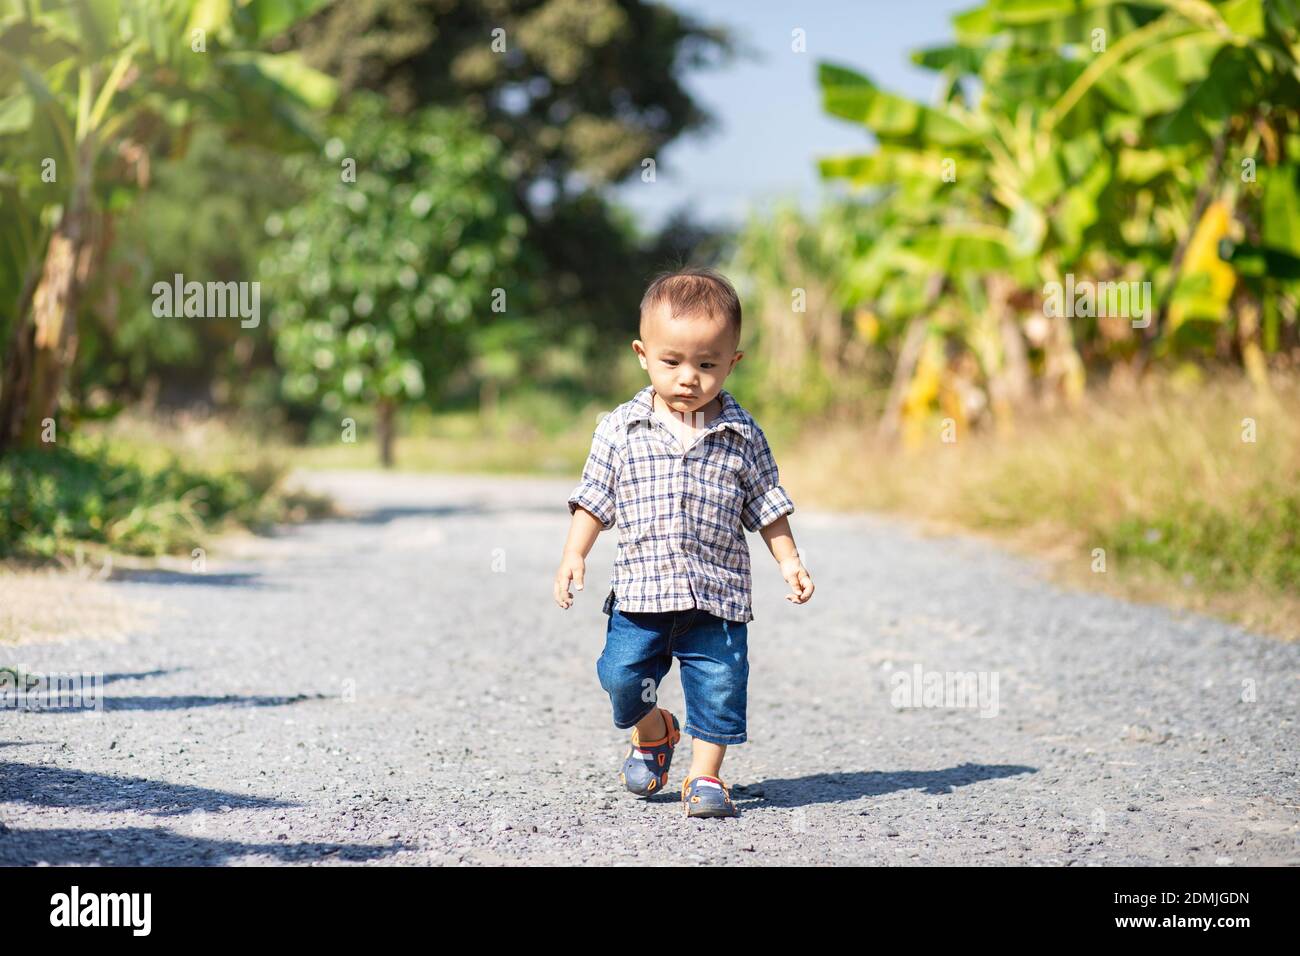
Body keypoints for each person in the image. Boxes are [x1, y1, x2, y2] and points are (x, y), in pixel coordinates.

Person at [553, 267, 815, 818]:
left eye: (707, 364)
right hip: (641, 596)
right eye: (671, 361)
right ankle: (654, 730)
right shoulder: (620, 428)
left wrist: (789, 560)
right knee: (621, 676)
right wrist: (575, 553)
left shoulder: (742, 434)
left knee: (718, 686)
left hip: (717, 598)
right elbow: (594, 496)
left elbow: (766, 502)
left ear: (733, 362)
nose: (689, 378)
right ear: (642, 354)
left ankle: (705, 778)